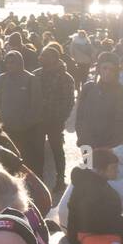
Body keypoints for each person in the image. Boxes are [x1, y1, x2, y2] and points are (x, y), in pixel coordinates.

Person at [32, 44, 75, 189]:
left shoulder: (65, 77)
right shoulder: (36, 74)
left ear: (53, 58)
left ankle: (60, 179)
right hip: (38, 120)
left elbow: (69, 101)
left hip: (55, 121)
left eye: (44, 55)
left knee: (57, 149)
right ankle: (38, 180)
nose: (40, 57)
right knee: (37, 150)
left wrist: (60, 118)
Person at [0, 50, 44, 167]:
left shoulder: (31, 79)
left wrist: (26, 122)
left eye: (13, 62)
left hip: (26, 131)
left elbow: (36, 105)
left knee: (26, 161)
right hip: (5, 128)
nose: (10, 65)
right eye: (7, 62)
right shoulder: (2, 79)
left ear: (20, 63)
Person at [74, 52, 123, 149]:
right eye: (104, 68)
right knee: (87, 164)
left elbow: (122, 123)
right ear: (98, 69)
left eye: (112, 69)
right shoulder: (89, 88)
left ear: (117, 71)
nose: (108, 72)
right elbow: (80, 116)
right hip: (87, 144)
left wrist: (110, 146)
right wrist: (82, 136)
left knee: (102, 164)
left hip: (110, 148)